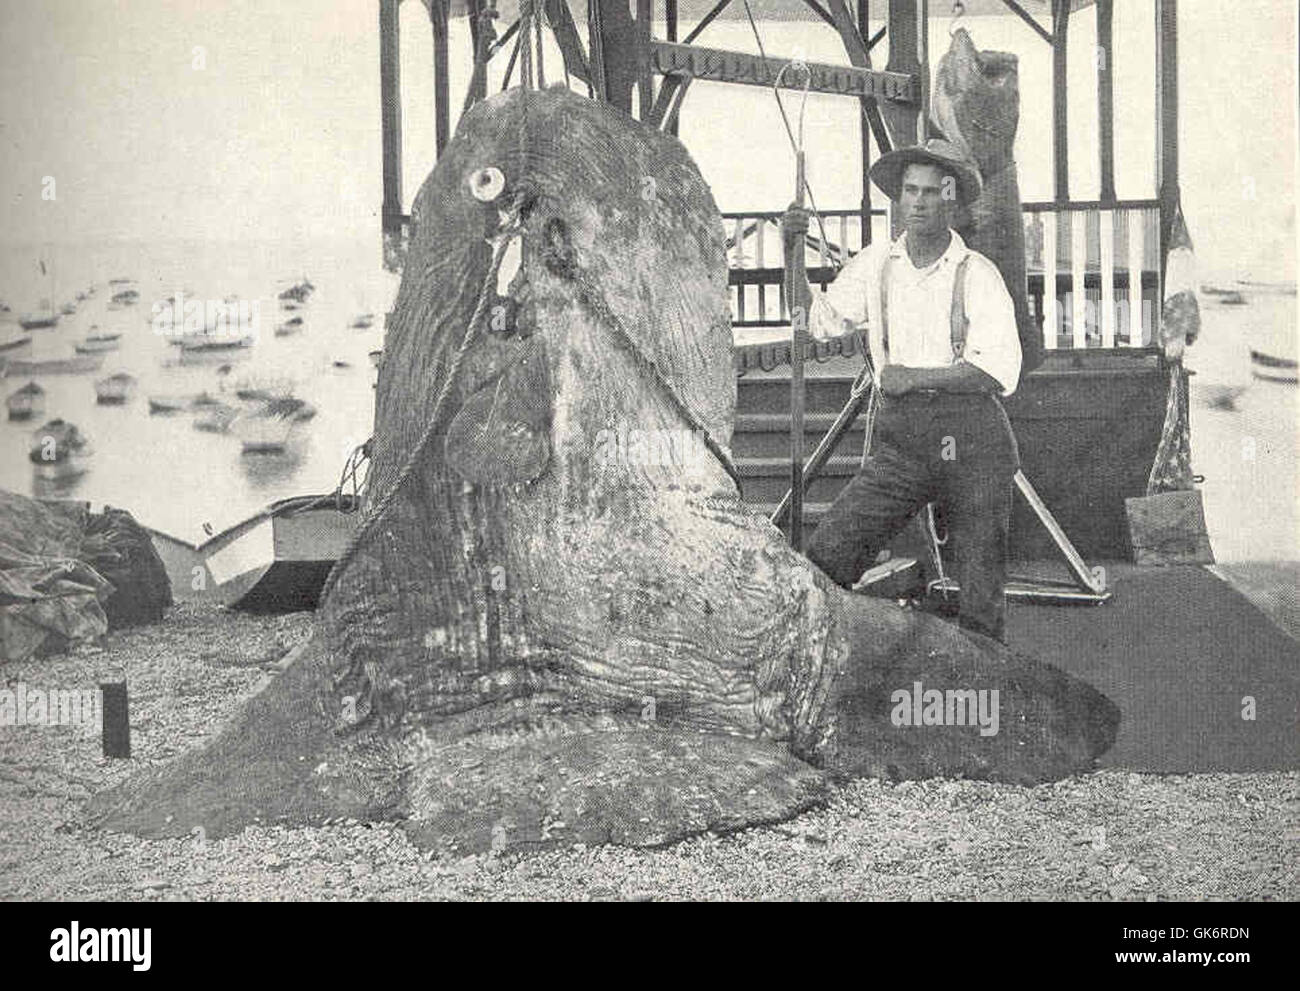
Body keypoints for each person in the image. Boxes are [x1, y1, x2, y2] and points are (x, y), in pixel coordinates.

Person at [782, 138, 1022, 643]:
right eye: (909, 190)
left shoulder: (976, 274)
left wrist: (912, 375)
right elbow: (811, 321)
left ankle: (984, 698)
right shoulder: (877, 265)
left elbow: (1000, 370)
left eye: (929, 192)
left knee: (980, 597)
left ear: (950, 198)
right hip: (903, 444)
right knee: (828, 557)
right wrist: (790, 257)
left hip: (972, 441)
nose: (915, 201)